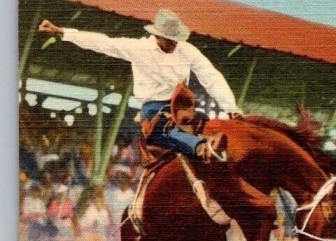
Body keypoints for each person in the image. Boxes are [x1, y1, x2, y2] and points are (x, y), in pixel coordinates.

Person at [39, 9, 242, 162]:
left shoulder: (187, 50)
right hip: (153, 108)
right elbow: (103, 43)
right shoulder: (138, 48)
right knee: (159, 132)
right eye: (170, 39)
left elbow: (210, 75)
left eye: (176, 39)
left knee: (209, 123)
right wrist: (63, 32)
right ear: (157, 35)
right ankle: (201, 148)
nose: (174, 43)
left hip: (182, 107)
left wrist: (231, 108)